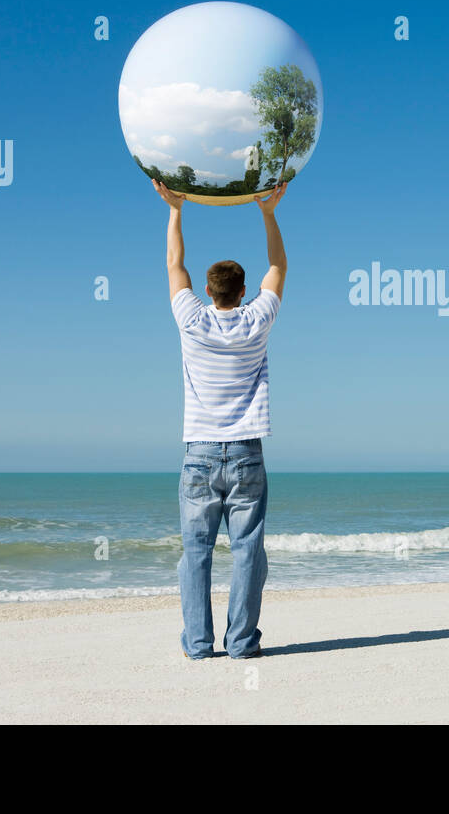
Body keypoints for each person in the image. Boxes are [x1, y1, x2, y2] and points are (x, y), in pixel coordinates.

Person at [151, 178, 289, 660]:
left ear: (208, 290)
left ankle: (197, 643)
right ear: (244, 291)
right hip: (248, 451)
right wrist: (267, 212)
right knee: (248, 550)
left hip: (200, 454)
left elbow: (174, 265)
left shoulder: (192, 319)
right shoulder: (257, 321)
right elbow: (279, 265)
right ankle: (242, 643)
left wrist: (175, 208)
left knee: (196, 553)